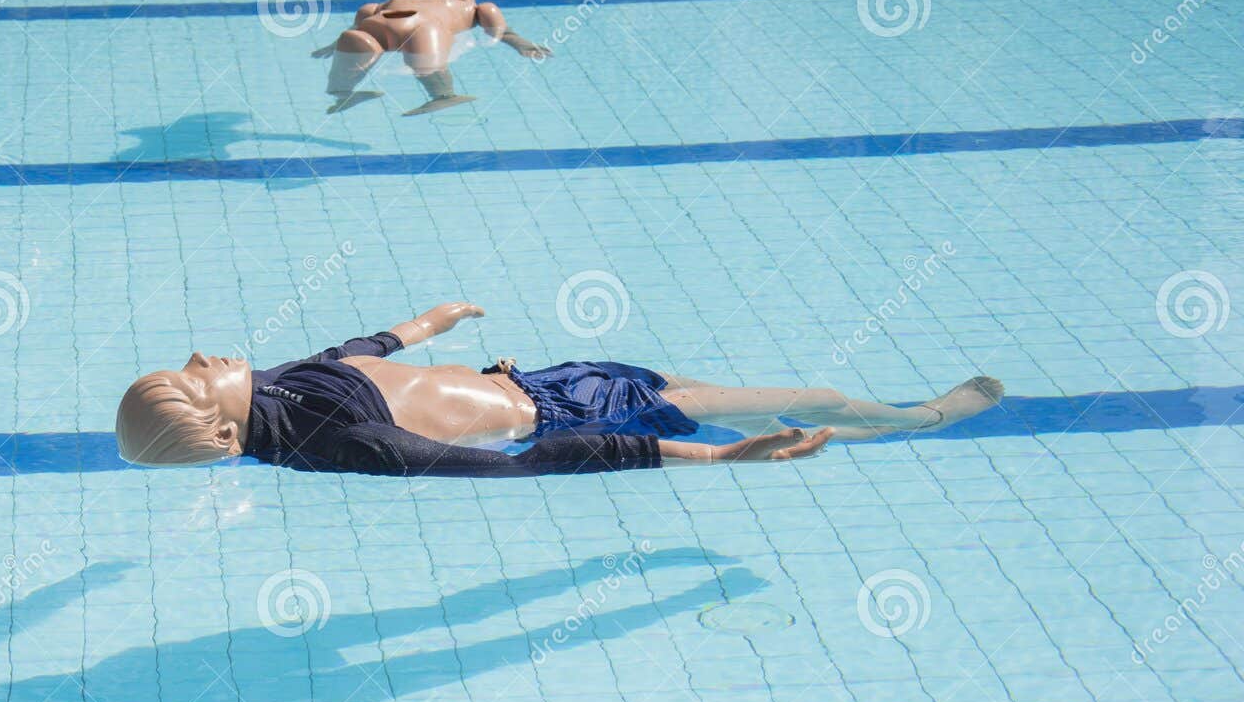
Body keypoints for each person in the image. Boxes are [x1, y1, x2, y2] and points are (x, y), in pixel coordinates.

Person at [115, 302, 1004, 479]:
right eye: (193, 374)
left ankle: (844, 431)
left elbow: (347, 351)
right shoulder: (337, 441)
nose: (201, 351)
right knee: (795, 395)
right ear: (219, 426)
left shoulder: (274, 386)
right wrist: (713, 456)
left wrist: (422, 329)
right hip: (588, 412)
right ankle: (912, 420)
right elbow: (525, 465)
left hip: (547, 377)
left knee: (778, 405)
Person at [310, 0, 550, 115]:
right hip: (377, 28)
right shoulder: (409, 0)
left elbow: (499, 30)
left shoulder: (471, 6)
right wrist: (335, 46)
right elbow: (363, 14)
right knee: (354, 40)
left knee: (423, 54)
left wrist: (520, 43)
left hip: (426, 28)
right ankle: (344, 94)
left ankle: (443, 96)